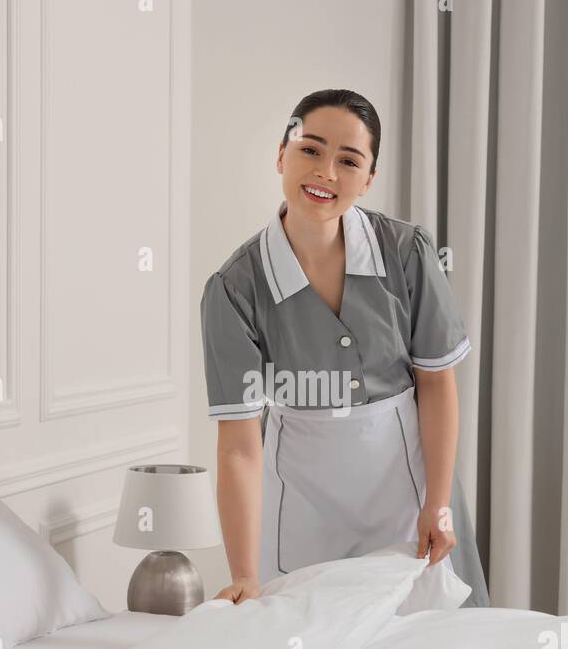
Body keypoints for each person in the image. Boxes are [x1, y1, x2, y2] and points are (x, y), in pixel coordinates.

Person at [200, 88, 488, 606]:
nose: (325, 172)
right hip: (302, 494)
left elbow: (436, 383)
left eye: (348, 160)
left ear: (369, 178)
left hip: (409, 482)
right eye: (310, 149)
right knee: (311, 645)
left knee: (428, 647)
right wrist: (242, 572)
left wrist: (437, 505)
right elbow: (239, 445)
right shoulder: (233, 289)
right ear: (281, 155)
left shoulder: (406, 253)